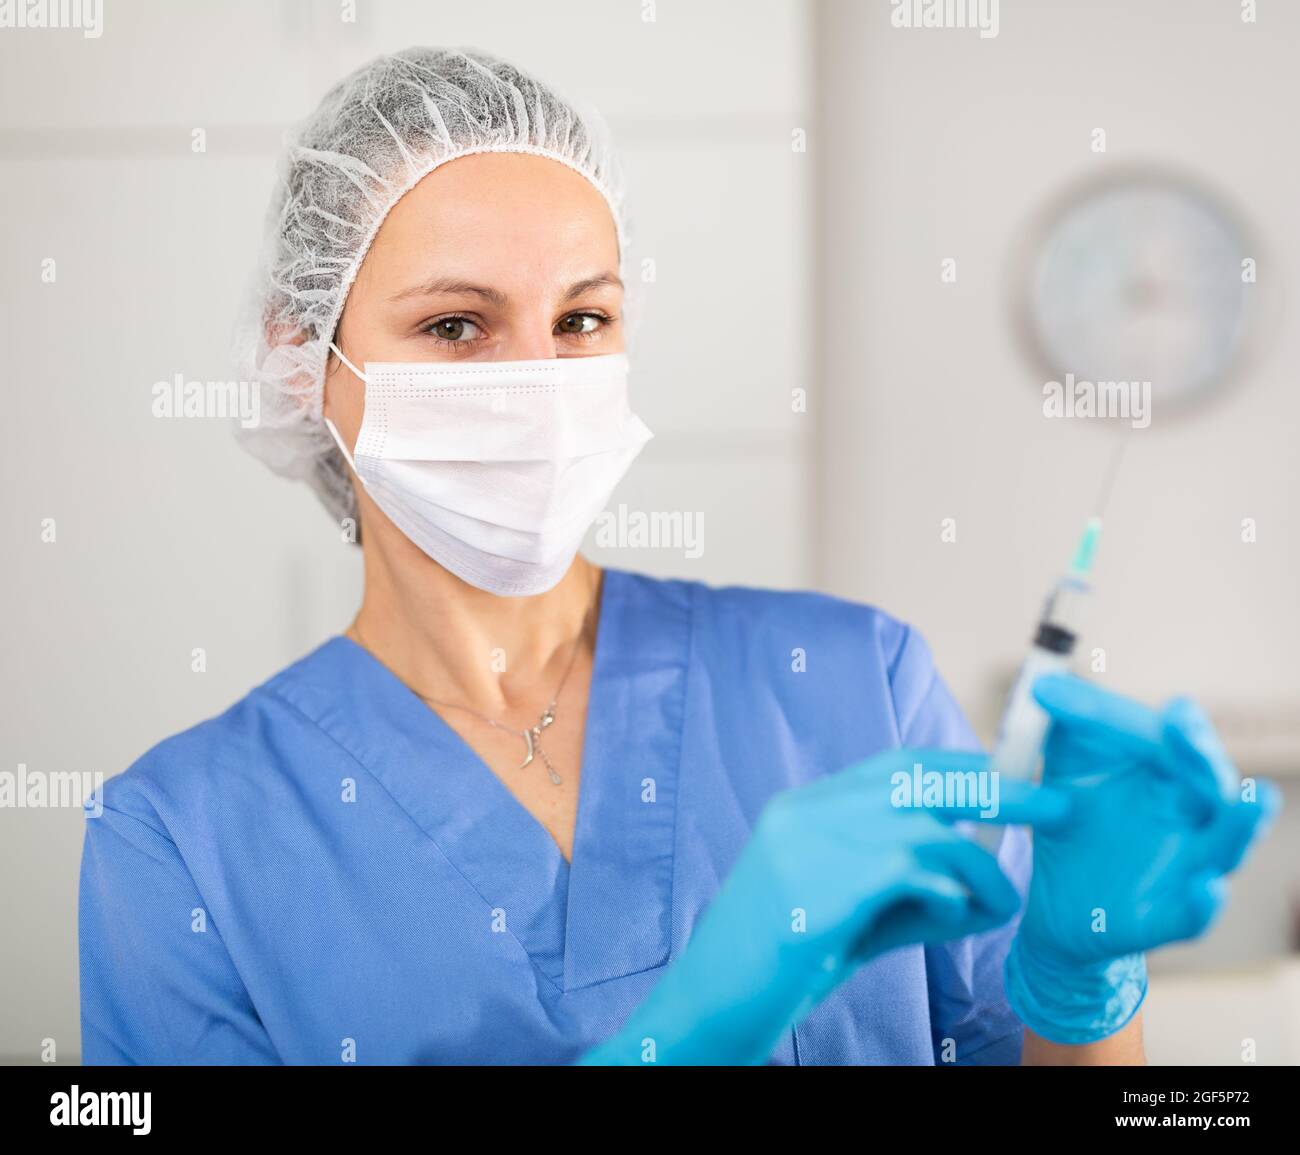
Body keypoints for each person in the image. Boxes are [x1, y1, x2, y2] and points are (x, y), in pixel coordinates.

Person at [78, 47, 1276, 1066]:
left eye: (581, 320)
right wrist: (689, 1037)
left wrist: (1078, 980)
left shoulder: (853, 681)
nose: (539, 384)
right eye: (455, 326)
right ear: (308, 366)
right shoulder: (184, 837)